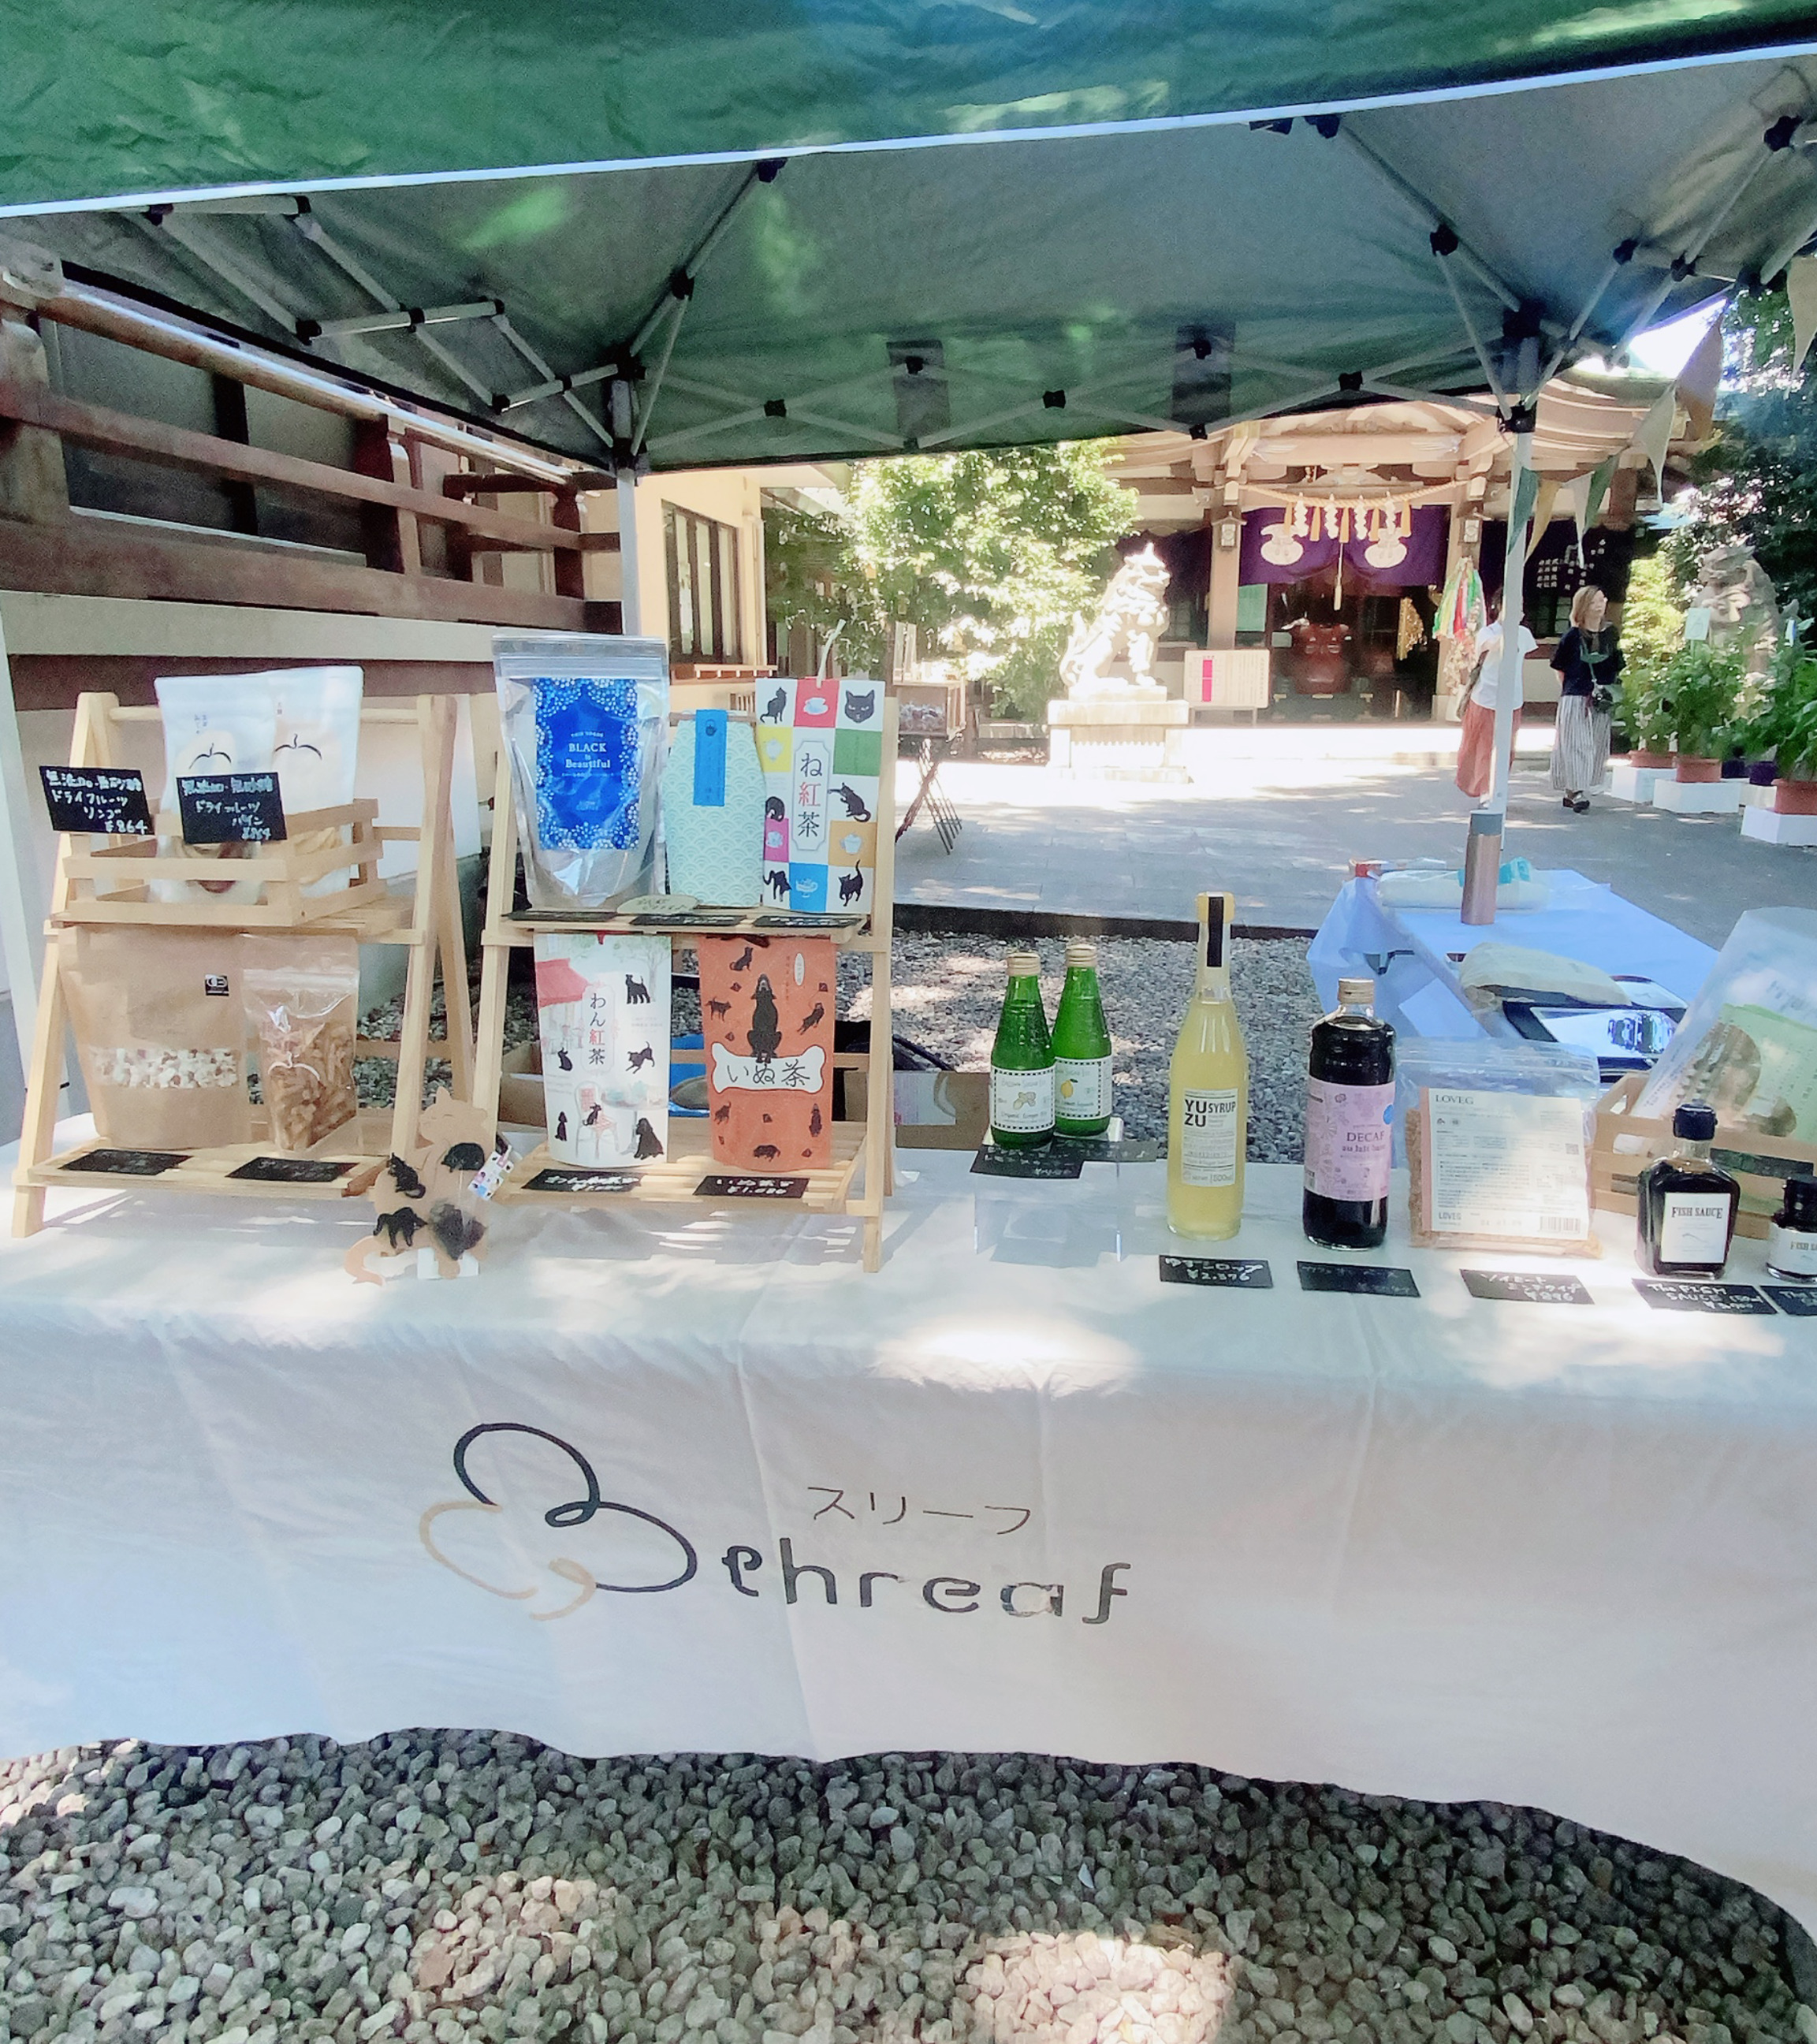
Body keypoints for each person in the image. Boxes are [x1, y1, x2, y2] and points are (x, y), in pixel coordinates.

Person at [1454, 593, 1535, 799]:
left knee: (1507, 746)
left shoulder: (1524, 633)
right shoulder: (1487, 632)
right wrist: (1508, 625)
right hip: (1487, 697)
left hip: (1513, 698)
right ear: (1499, 606)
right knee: (1484, 746)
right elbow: (1495, 645)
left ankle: (1497, 787)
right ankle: (1485, 791)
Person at [1550, 583, 1622, 813]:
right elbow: (1559, 667)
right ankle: (1577, 790)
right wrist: (1571, 691)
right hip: (1576, 695)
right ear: (1584, 606)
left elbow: (1617, 665)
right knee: (1576, 744)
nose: (1600, 605)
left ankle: (1573, 790)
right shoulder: (1572, 636)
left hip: (1603, 697)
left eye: (1603, 600)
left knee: (1596, 744)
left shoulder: (1611, 633)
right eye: (1595, 601)